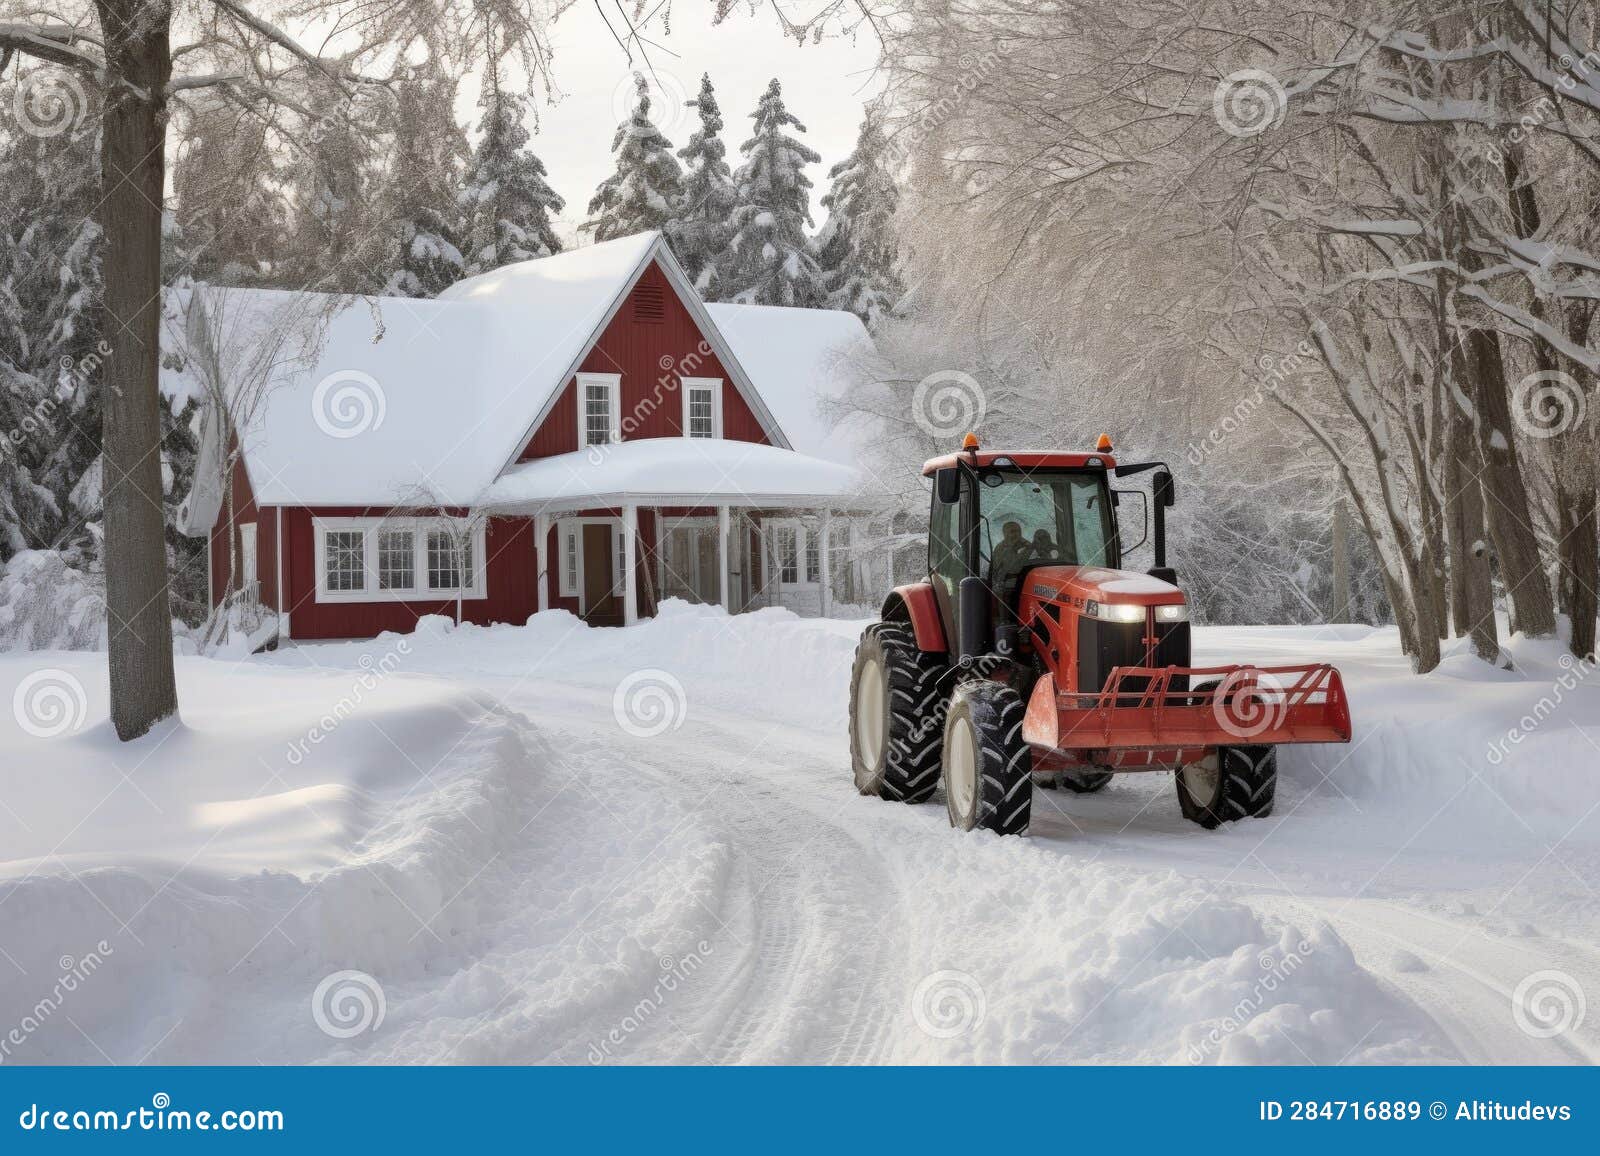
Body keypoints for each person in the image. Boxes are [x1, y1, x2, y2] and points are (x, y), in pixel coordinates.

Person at [989, 520, 1033, 586]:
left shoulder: (1028, 546)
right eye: (1012, 531)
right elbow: (995, 568)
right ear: (1005, 534)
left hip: (1022, 582)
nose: (1016, 534)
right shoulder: (999, 547)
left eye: (1018, 531)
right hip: (1003, 583)